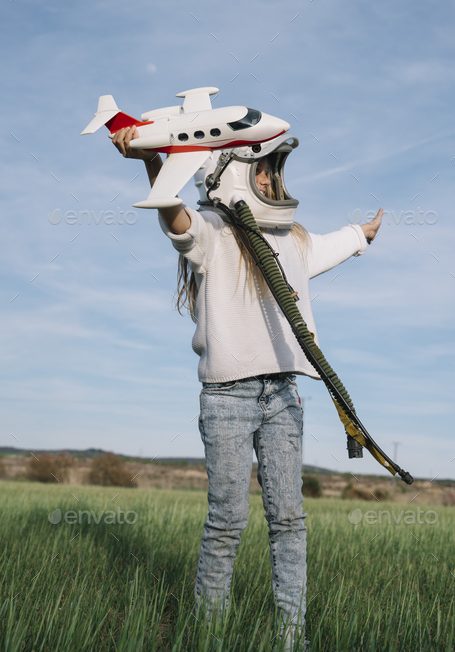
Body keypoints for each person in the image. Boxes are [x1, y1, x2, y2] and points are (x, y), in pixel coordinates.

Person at [112, 125, 383, 650]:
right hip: (227, 398)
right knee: (226, 521)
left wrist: (362, 233)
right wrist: (152, 161)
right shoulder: (212, 230)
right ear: (236, 173)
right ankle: (210, 636)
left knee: (289, 520)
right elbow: (175, 220)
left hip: (283, 396)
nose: (270, 176)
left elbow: (333, 244)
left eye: (274, 168)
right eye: (262, 167)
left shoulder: (294, 240)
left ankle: (291, 638)